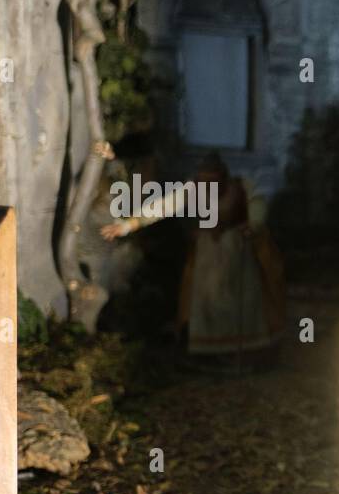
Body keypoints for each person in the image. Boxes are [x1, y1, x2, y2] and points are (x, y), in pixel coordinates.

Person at [101, 153, 286, 368]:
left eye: (213, 179)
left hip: (237, 251)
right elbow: (165, 205)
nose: (208, 185)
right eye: (204, 179)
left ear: (222, 175)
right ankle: (213, 353)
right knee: (207, 300)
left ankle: (245, 354)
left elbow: (257, 204)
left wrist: (253, 223)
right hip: (207, 253)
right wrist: (129, 224)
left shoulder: (241, 186)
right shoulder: (193, 189)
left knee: (239, 301)